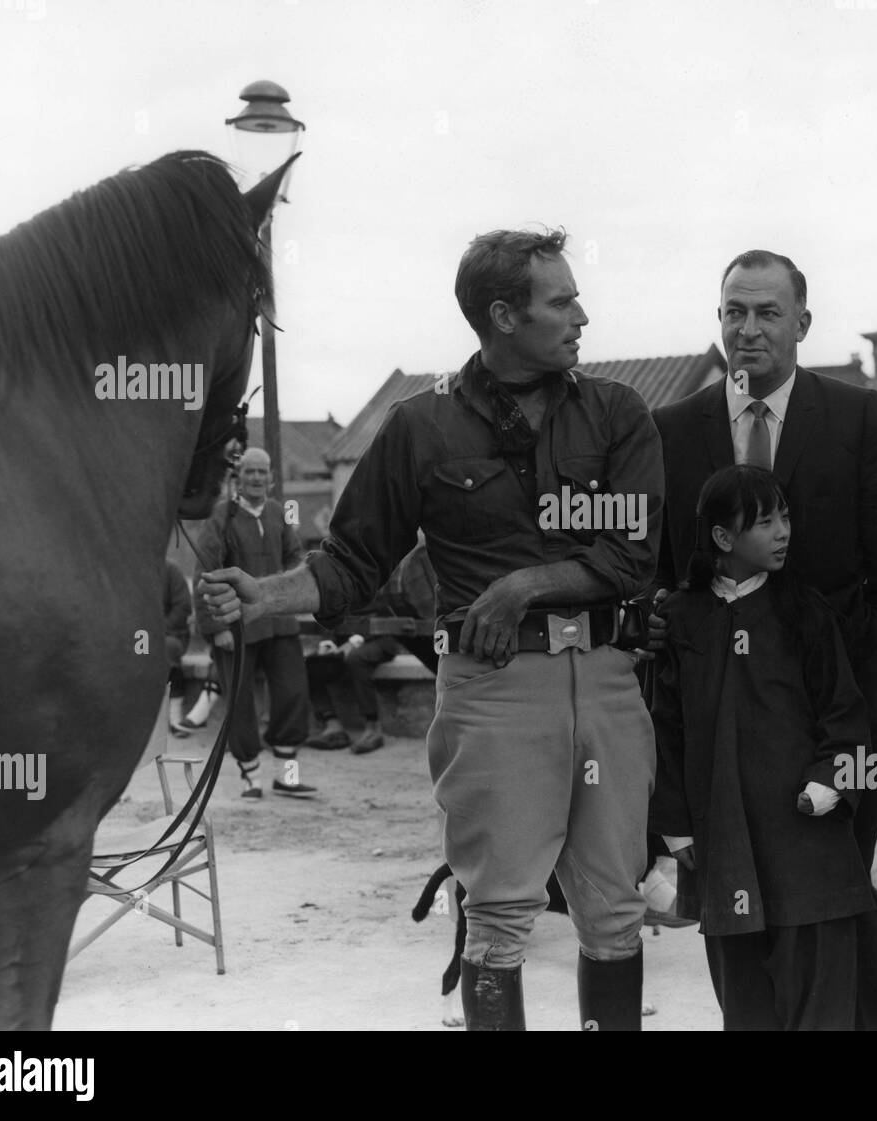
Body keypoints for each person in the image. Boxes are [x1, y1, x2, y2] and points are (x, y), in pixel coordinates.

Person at [199, 228, 663, 1030]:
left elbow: (634, 555)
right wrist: (261, 594)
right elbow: (351, 561)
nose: (581, 314)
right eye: (561, 300)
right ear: (502, 316)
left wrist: (522, 585)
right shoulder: (421, 426)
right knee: (500, 914)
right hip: (494, 694)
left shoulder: (617, 413)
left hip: (610, 682)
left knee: (615, 909)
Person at [653, 249, 877, 1030]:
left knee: (835, 901)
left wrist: (852, 689)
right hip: (721, 733)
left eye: (768, 312)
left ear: (803, 321)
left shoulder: (857, 415)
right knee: (735, 910)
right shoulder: (674, 430)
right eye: (734, 311)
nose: (748, 328)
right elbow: (666, 570)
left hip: (830, 723)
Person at [650, 465, 874, 1030]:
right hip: (722, 838)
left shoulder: (806, 611)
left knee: (819, 998)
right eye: (765, 521)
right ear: (723, 539)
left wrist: (829, 781)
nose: (783, 533)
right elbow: (665, 728)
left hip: (806, 838)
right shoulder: (681, 618)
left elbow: (845, 711)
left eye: (786, 517)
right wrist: (676, 827)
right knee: (745, 1003)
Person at [193, 447, 314, 799]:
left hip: (279, 622)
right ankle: (251, 777)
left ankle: (287, 776)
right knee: (241, 702)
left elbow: (295, 556)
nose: (257, 478)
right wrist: (215, 629)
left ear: (272, 478)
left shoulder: (278, 513)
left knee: (293, 694)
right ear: (239, 478)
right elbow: (205, 571)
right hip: (237, 627)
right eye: (250, 472)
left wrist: (289, 588)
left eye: (263, 472)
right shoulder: (221, 518)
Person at [304, 630, 399, 753]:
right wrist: (327, 644)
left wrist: (354, 641)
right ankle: (333, 726)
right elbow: (328, 616)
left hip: (377, 638)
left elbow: (380, 615)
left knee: (356, 659)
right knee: (312, 662)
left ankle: (373, 729)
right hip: (342, 641)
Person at [163, 558, 192, 738]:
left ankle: (175, 718)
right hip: (140, 636)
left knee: (168, 649)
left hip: (171, 633)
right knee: (138, 654)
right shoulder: (131, 571)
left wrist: (158, 630)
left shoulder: (171, 570)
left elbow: (183, 606)